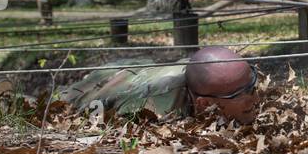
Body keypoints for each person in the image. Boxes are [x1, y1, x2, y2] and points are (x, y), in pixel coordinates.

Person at [61, 45, 261, 124]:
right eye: (241, 94)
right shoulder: (150, 108)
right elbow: (92, 114)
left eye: (252, 84)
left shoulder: (218, 76)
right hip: (107, 83)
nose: (255, 97)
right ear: (203, 104)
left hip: (145, 69)